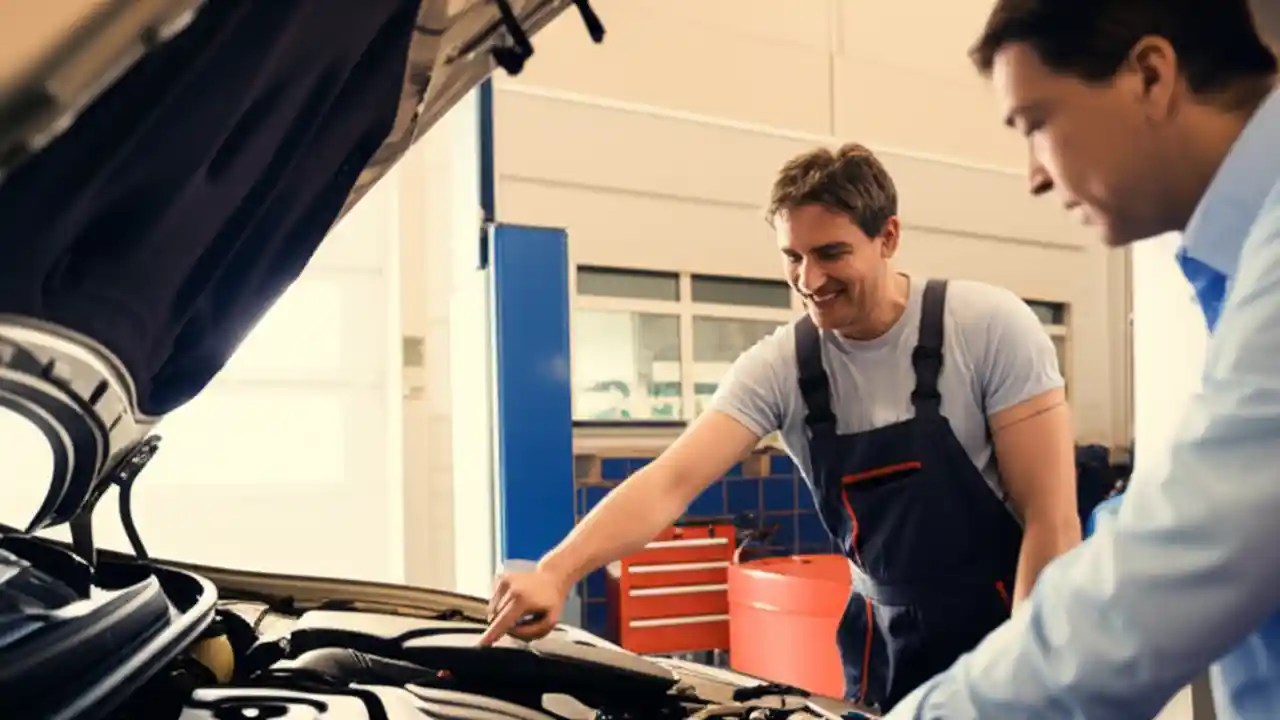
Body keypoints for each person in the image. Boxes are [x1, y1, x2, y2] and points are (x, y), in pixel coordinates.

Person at [479, 143, 1082, 711]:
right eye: (793, 257)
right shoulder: (784, 367)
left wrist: (1021, 675)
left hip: (1006, 623)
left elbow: (1050, 520)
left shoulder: (987, 327)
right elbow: (670, 482)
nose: (809, 280)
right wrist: (557, 569)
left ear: (888, 236)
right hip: (882, 647)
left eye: (831, 254)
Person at [884, 1, 1280, 718]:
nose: (1035, 176)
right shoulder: (1241, 259)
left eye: (1037, 125)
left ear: (1151, 76)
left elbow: (1173, 575)